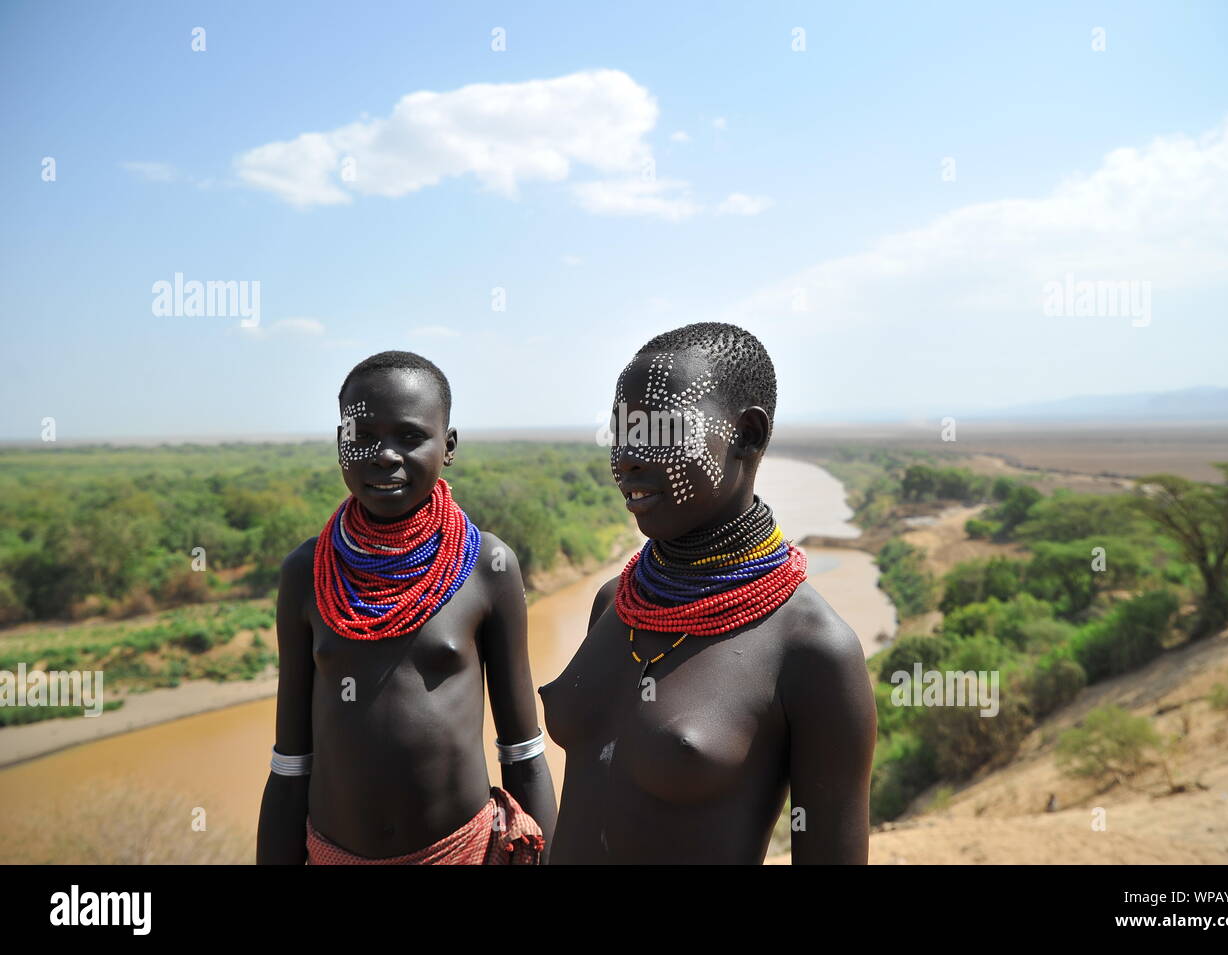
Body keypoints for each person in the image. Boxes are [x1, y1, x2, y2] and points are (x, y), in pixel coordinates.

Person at [540, 322, 877, 863]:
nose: (626, 455)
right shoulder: (615, 602)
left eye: (658, 430)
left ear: (746, 435)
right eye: (622, 430)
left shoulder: (812, 650)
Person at [256, 350, 555, 864]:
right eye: (363, 436)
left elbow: (522, 753)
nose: (384, 455)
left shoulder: (487, 566)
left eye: (410, 436)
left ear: (449, 445)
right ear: (341, 444)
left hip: (463, 852)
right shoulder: (306, 571)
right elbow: (290, 762)